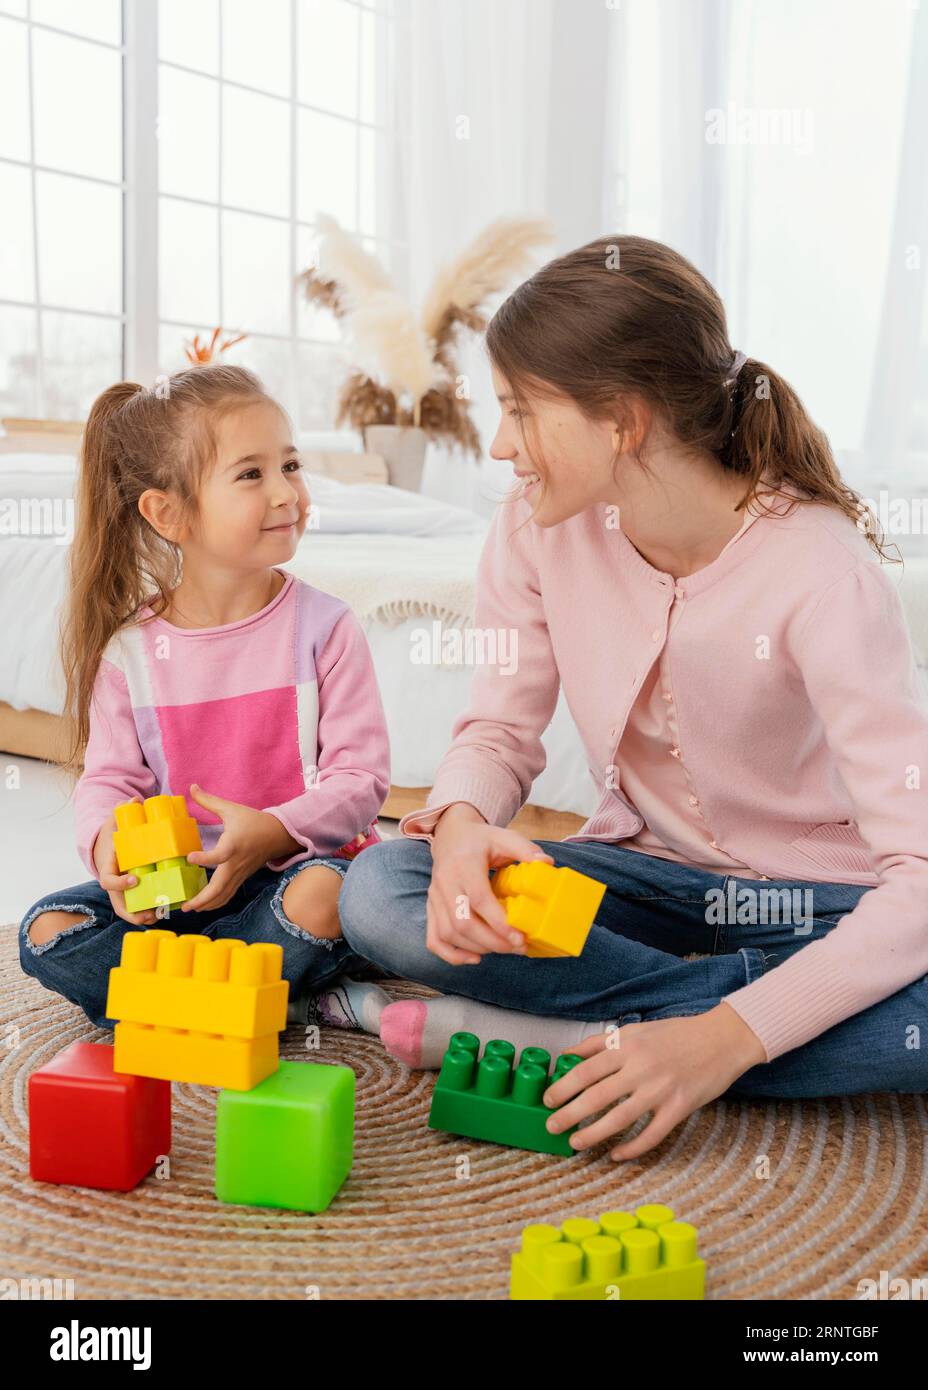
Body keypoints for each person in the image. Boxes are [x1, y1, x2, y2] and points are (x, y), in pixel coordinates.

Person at [336, 234, 928, 1161]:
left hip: (822, 904)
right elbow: (497, 727)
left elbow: (921, 879)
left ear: (623, 419)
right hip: (646, 880)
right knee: (381, 889)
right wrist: (456, 832)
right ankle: (760, 1015)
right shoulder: (535, 533)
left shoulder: (823, 576)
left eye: (522, 412)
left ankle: (632, 1034)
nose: (501, 447)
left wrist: (719, 1039)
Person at [19, 364, 389, 1030]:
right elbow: (110, 780)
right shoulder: (131, 653)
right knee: (45, 929)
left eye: (291, 465)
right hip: (179, 894)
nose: (286, 493)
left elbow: (361, 781)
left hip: (291, 875)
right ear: (169, 513)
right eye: (251, 474)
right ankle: (265, 993)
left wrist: (275, 829)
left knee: (329, 897)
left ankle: (183, 997)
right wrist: (108, 847)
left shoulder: (325, 628)